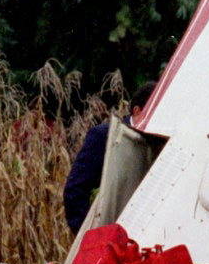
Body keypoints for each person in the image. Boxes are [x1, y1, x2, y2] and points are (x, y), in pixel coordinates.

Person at [62, 82, 156, 234]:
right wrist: (89, 236)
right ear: (137, 111)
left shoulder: (158, 143)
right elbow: (75, 189)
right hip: (108, 233)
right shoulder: (105, 136)